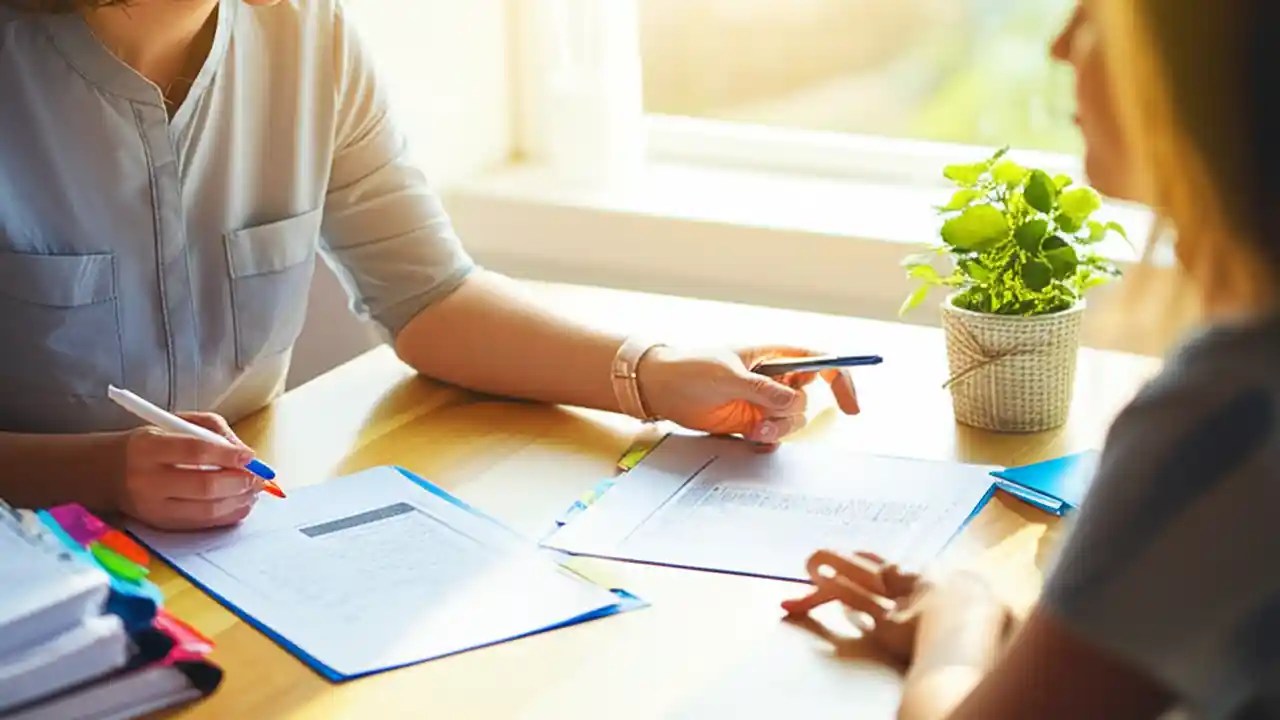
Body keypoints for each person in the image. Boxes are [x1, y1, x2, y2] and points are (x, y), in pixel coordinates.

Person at [0, 0, 860, 530]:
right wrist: (99, 473)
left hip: (241, 540)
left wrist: (654, 373)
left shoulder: (311, 35)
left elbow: (430, 297)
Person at [784, 1, 1280, 717]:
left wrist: (962, 620)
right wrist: (1043, 648)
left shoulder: (1227, 411)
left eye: (1094, 18)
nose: (1058, 47)